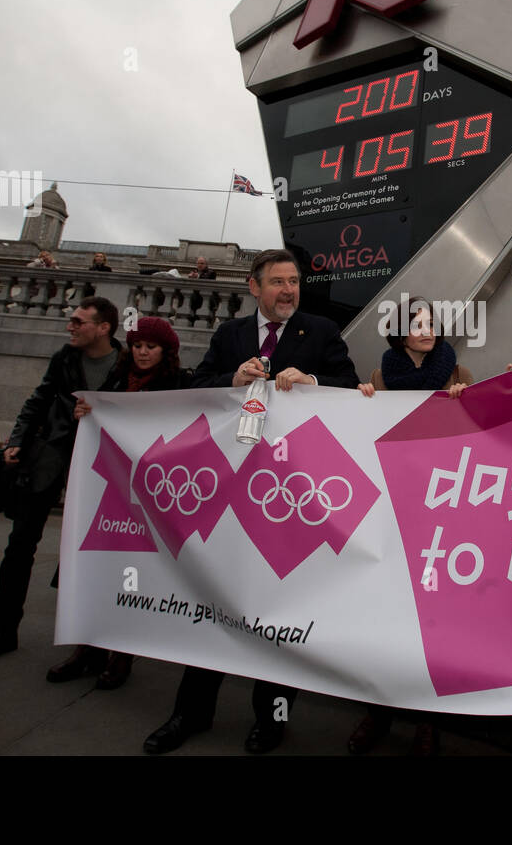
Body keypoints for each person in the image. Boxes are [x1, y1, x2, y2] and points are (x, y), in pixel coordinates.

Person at [144, 248, 359, 755]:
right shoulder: (230, 335)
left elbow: (350, 388)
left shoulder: (322, 332)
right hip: (227, 494)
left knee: (277, 612)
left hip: (288, 497)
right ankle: (189, 714)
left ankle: (271, 719)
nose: (289, 290)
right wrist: (231, 381)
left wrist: (311, 383)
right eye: (279, 282)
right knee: (216, 603)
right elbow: (196, 387)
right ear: (254, 287)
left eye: (294, 282)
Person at [0, 297, 122, 668]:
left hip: (100, 464)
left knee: (97, 551)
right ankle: (2, 629)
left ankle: (90, 643)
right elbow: (39, 399)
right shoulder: (63, 358)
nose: (70, 326)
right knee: (20, 544)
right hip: (51, 456)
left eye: (78, 321)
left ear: (103, 328)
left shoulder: (125, 363)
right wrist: (17, 440)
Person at [354, 297, 470, 755]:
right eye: (415, 323)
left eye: (430, 322)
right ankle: (377, 714)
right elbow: (370, 435)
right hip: (395, 504)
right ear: (399, 332)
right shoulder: (381, 378)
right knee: (387, 619)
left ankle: (427, 722)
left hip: (443, 509)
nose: (425, 328)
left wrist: (465, 406)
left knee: (433, 625)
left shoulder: (460, 375)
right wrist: (362, 403)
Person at [46, 316, 187, 691]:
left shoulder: (179, 385)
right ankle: (86, 649)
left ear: (166, 351)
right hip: (107, 493)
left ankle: (121, 654)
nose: (142, 353)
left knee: (132, 578)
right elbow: (92, 425)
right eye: (138, 345)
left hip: (147, 500)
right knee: (97, 570)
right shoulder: (115, 381)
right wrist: (85, 414)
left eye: (151, 347)